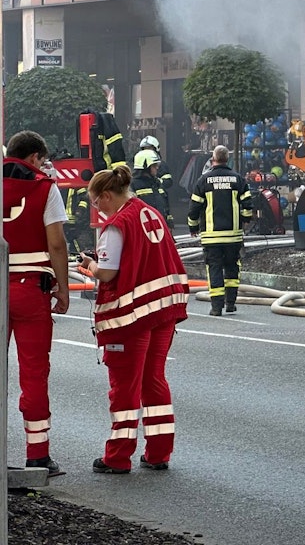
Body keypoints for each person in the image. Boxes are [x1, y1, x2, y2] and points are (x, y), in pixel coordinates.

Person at [80, 165, 188, 474]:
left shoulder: (116, 225)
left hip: (131, 316)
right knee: (154, 379)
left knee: (124, 386)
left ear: (106, 195)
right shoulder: (149, 212)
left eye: (96, 202)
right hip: (164, 308)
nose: (97, 209)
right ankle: (159, 452)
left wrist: (88, 267)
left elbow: (109, 272)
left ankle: (117, 456)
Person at [3, 131, 71, 477]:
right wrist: (63, 288)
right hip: (30, 290)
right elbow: (56, 244)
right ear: (32, 158)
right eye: (42, 160)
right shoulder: (46, 189)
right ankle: (37, 456)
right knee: (33, 373)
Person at [186, 145, 253, 316]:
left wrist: (193, 227)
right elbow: (247, 205)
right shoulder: (238, 179)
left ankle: (216, 307)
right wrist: (244, 220)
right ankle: (231, 303)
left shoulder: (203, 181)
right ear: (227, 159)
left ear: (212, 159)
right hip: (233, 236)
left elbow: (194, 208)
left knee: (214, 268)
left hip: (211, 237)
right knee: (232, 268)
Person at [132, 152, 172, 229]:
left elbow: (165, 203)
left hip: (160, 226)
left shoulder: (157, 183)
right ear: (145, 167)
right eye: (154, 166)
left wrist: (169, 221)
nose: (157, 168)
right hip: (143, 228)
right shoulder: (133, 185)